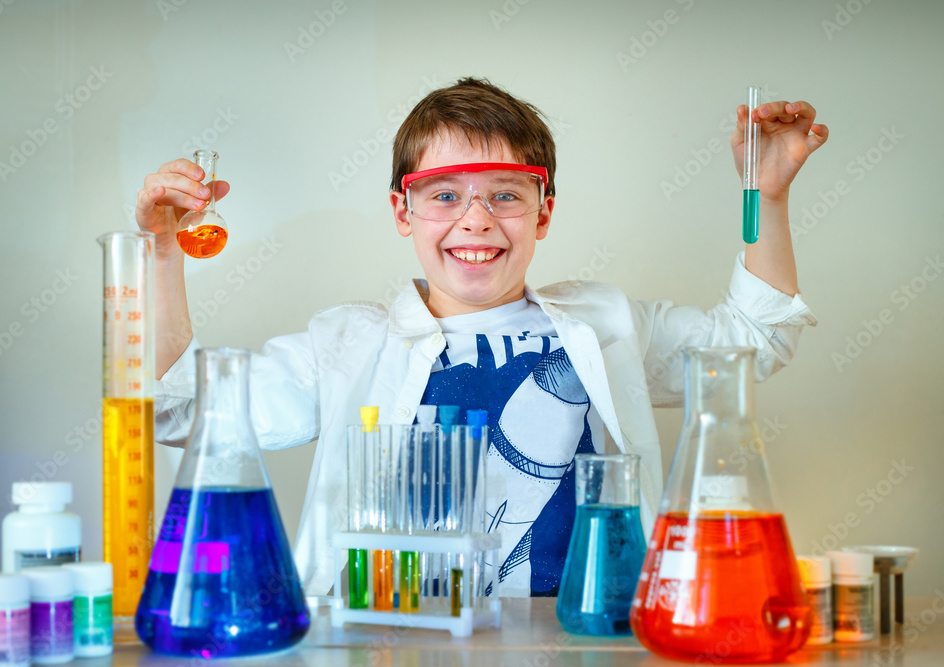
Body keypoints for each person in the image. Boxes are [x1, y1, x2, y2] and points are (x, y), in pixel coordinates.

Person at [138, 78, 827, 598]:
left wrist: (767, 196)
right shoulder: (347, 344)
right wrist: (163, 250)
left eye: (505, 193)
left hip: (584, 639)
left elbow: (755, 338)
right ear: (402, 211)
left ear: (543, 212)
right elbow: (178, 408)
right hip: (396, 640)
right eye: (444, 194)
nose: (476, 219)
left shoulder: (605, 325)